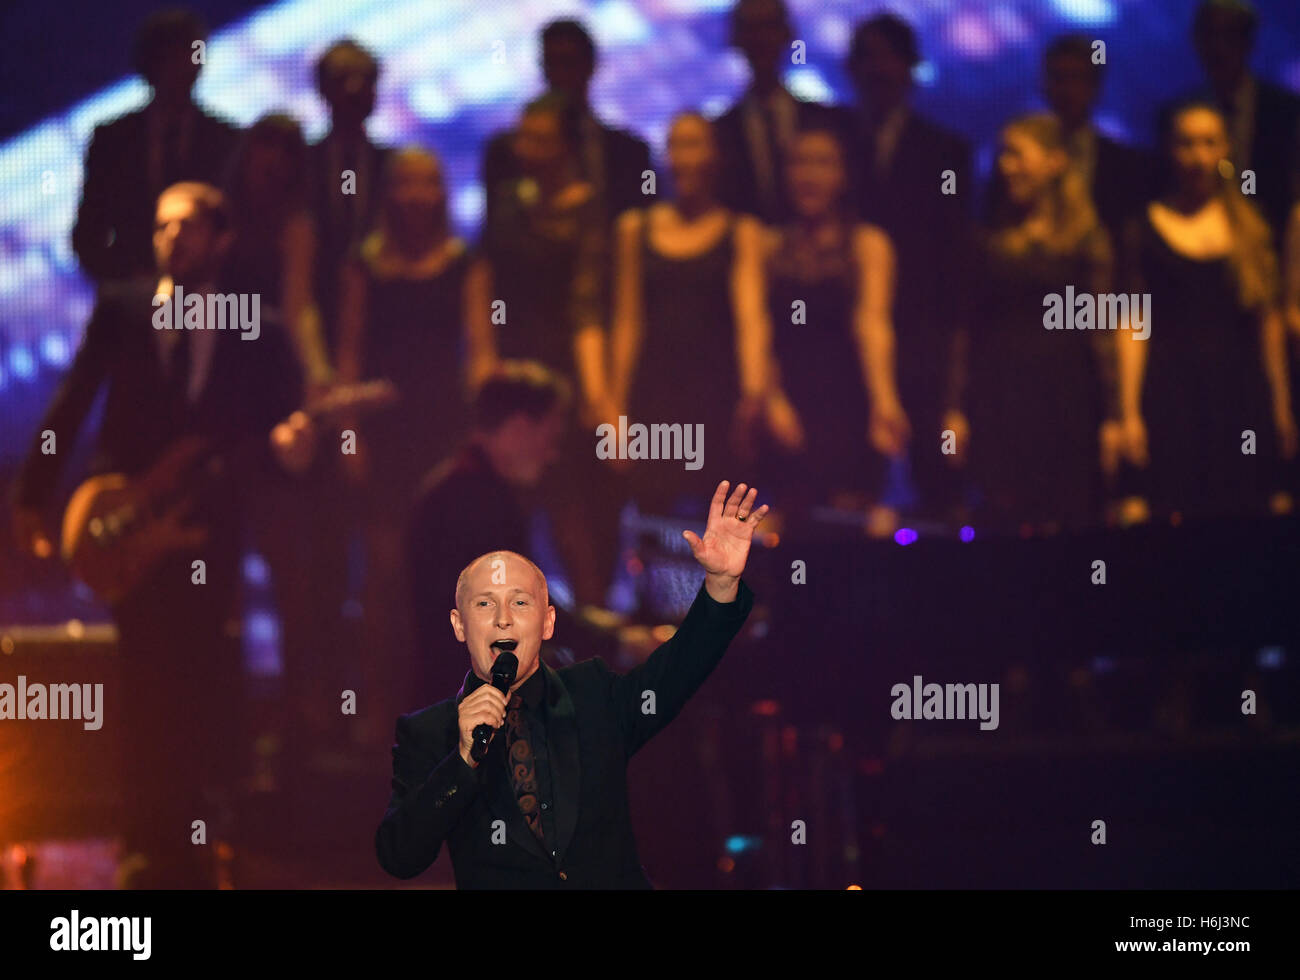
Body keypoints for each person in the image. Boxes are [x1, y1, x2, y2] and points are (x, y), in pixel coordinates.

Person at [10, 182, 300, 887]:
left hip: (208, 523)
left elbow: (276, 423)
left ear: (222, 239)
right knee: (142, 681)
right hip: (125, 524)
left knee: (203, 676)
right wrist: (33, 496)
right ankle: (145, 837)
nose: (172, 237)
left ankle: (197, 839)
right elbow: (73, 399)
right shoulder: (124, 306)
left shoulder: (254, 322)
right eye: (163, 224)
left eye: (189, 226)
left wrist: (292, 444)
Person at [377, 479, 767, 888]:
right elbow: (400, 856)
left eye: (520, 602)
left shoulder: (594, 696)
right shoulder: (429, 732)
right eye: (484, 604)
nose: (503, 618)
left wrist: (721, 585)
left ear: (548, 622)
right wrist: (461, 761)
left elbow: (679, 668)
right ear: (460, 625)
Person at [407, 362, 659, 701]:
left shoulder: (458, 488)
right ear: (520, 428)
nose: (552, 455)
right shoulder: (477, 502)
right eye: (550, 438)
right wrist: (621, 642)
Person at [467, 91, 620, 607]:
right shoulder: (508, 199)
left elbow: (588, 306)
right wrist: (484, 355)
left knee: (570, 513)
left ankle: (596, 636)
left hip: (562, 376)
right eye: (524, 135)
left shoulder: (591, 209)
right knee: (501, 509)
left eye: (541, 137)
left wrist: (598, 396)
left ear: (566, 147)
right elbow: (484, 276)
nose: (527, 147)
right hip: (508, 372)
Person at [1116, 101, 1295, 522]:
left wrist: (1281, 407)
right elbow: (1132, 323)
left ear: (1226, 149)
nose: (1198, 156)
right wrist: (1127, 411)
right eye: (1186, 143)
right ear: (1168, 149)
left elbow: (1267, 326)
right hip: (1170, 397)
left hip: (1239, 398)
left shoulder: (1250, 226)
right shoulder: (1143, 227)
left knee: (1242, 519)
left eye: (1209, 143)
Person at [947, 113, 1117, 533]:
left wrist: (1115, 414)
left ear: (1055, 161)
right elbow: (965, 326)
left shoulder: (1086, 236)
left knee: (1067, 519)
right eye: (1003, 155)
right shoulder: (988, 234)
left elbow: (1103, 329)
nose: (1006, 166)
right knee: (1003, 519)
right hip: (999, 398)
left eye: (1017, 154)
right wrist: (954, 407)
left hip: (1067, 399)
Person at [832, 13, 971, 522]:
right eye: (867, 58)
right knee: (848, 504)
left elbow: (955, 266)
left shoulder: (946, 151)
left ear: (911, 67)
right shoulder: (834, 142)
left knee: (935, 499)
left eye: (888, 57)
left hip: (923, 349)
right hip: (838, 352)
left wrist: (955, 382)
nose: (878, 70)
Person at [607, 112, 766, 516]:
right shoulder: (634, 228)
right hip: (653, 401)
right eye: (675, 145)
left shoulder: (741, 231)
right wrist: (616, 411)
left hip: (716, 399)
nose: (682, 158)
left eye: (694, 144)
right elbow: (628, 322)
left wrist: (752, 394)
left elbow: (751, 319)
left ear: (717, 156)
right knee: (652, 522)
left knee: (721, 525)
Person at [753, 126, 903, 529]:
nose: (809, 175)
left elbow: (873, 324)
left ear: (844, 175)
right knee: (787, 530)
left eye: (823, 163)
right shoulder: (765, 246)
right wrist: (770, 398)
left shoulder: (868, 244)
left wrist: (884, 402)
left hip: (849, 406)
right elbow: (758, 330)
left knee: (852, 532)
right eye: (800, 162)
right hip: (787, 408)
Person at [72, 8, 239, 284]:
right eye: (172, 57)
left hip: (214, 300)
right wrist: (126, 283)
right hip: (135, 302)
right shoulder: (112, 141)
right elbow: (88, 232)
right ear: (150, 64)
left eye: (190, 55)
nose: (183, 67)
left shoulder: (226, 138)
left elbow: (235, 224)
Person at [480, 18, 650, 230]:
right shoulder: (505, 152)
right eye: (552, 62)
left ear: (591, 65)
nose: (561, 74)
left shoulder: (633, 153)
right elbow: (493, 228)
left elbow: (648, 207)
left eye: (570, 62)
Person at [1187, 0, 1300, 246]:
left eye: (1229, 35)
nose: (1218, 48)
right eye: (1210, 35)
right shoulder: (1181, 113)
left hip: (1271, 247)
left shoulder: (1285, 112)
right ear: (1197, 41)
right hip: (1198, 248)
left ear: (1249, 42)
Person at [712, 0, 833, 224]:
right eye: (751, 28)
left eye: (769, 27)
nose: (761, 40)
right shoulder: (718, 133)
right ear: (737, 38)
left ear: (787, 34)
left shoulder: (827, 122)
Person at [310, 38, 391, 348]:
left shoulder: (394, 167)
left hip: (382, 320)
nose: (354, 91)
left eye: (365, 80)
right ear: (323, 89)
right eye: (343, 79)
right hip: (314, 312)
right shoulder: (301, 164)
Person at [1040, 34, 1153, 246]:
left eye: (1076, 77)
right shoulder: (1017, 161)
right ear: (1045, 85)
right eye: (1059, 77)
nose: (1067, 90)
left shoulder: (1125, 165)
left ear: (1095, 86)